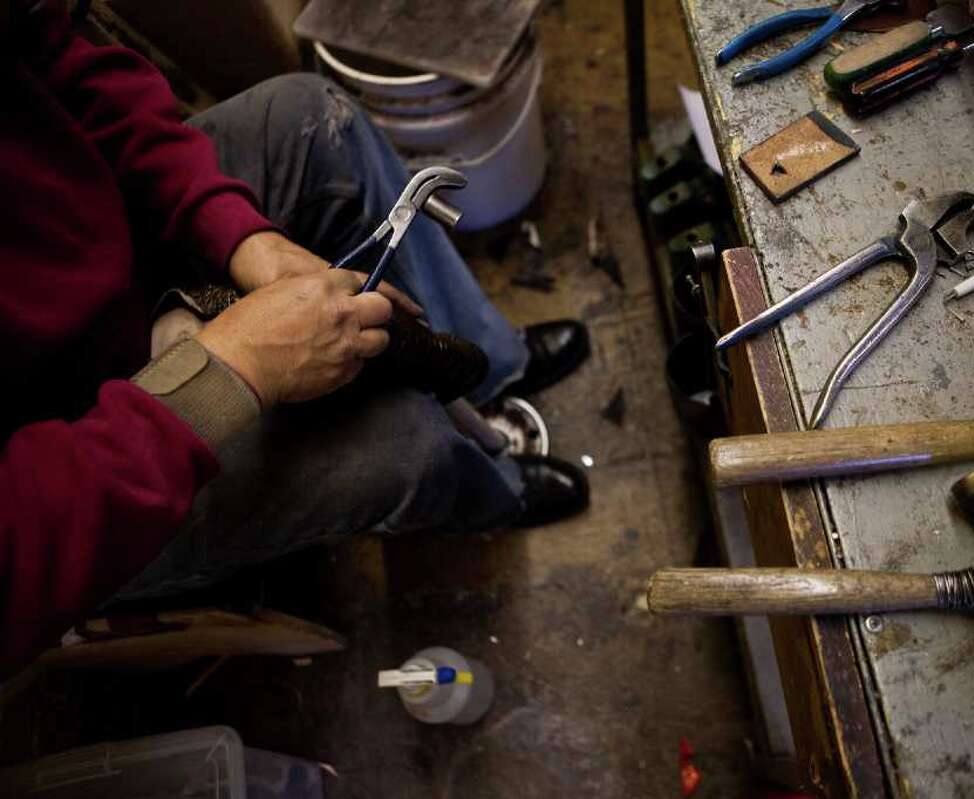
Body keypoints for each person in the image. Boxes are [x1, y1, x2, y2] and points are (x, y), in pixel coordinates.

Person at [0, 0, 590, 676]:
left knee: (313, 119)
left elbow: (61, 56)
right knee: (406, 441)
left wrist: (247, 241)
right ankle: (496, 488)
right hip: (83, 458)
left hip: (106, 256)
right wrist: (231, 369)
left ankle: (488, 368)